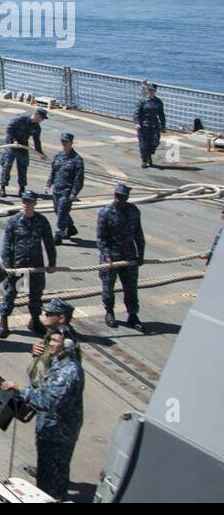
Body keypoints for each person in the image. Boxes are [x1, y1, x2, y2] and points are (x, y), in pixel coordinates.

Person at [2, 320, 85, 501]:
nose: (52, 344)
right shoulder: (59, 361)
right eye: (51, 340)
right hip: (50, 427)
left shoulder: (68, 371)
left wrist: (19, 389)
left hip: (59, 432)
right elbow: (39, 382)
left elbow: (47, 400)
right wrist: (36, 355)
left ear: (68, 344)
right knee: (47, 472)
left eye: (56, 341)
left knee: (53, 481)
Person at [0, 190, 57, 338]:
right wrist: (7, 265)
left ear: (35, 203)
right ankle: (4, 320)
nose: (26, 204)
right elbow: (6, 244)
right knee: (11, 294)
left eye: (29, 201)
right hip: (18, 266)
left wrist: (52, 262)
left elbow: (49, 242)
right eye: (24, 201)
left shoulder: (42, 221)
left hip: (36, 266)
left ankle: (35, 320)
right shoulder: (14, 221)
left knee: (36, 295)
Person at [96, 184, 146, 330]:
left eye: (122, 197)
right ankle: (109, 311)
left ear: (127, 197)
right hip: (111, 257)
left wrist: (141, 254)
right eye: (117, 196)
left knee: (131, 287)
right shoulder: (105, 212)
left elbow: (138, 234)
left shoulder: (134, 211)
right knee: (108, 287)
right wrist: (107, 255)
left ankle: (132, 315)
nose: (118, 199)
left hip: (129, 256)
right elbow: (101, 237)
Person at [29, 299, 82, 388]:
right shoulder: (53, 331)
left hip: (46, 390)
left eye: (49, 314)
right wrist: (36, 349)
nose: (45, 315)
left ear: (61, 318)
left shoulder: (66, 341)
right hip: (39, 386)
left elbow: (63, 372)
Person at [46, 132, 85, 245]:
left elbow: (79, 179)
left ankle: (58, 235)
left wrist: (74, 193)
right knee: (57, 211)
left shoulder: (77, 159)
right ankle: (71, 228)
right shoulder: (58, 156)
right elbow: (53, 171)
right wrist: (48, 184)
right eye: (62, 141)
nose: (64, 144)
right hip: (57, 189)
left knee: (62, 211)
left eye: (66, 142)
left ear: (71, 143)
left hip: (67, 191)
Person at [0, 108, 46, 197]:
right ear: (37, 116)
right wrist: (14, 140)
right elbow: (9, 129)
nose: (42, 120)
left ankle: (22, 188)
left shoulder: (36, 127)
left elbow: (37, 141)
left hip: (23, 146)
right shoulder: (20, 119)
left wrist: (40, 153)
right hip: (11, 146)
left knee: (23, 167)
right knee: (6, 166)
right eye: (42, 118)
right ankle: (3, 187)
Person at [134, 84, 167, 169]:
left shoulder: (158, 102)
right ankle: (145, 160)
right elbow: (136, 113)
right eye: (149, 90)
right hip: (144, 125)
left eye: (152, 90)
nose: (150, 92)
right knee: (143, 144)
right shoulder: (142, 101)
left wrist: (163, 126)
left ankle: (149, 154)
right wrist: (137, 123)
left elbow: (161, 114)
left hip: (154, 125)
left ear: (155, 91)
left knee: (155, 141)